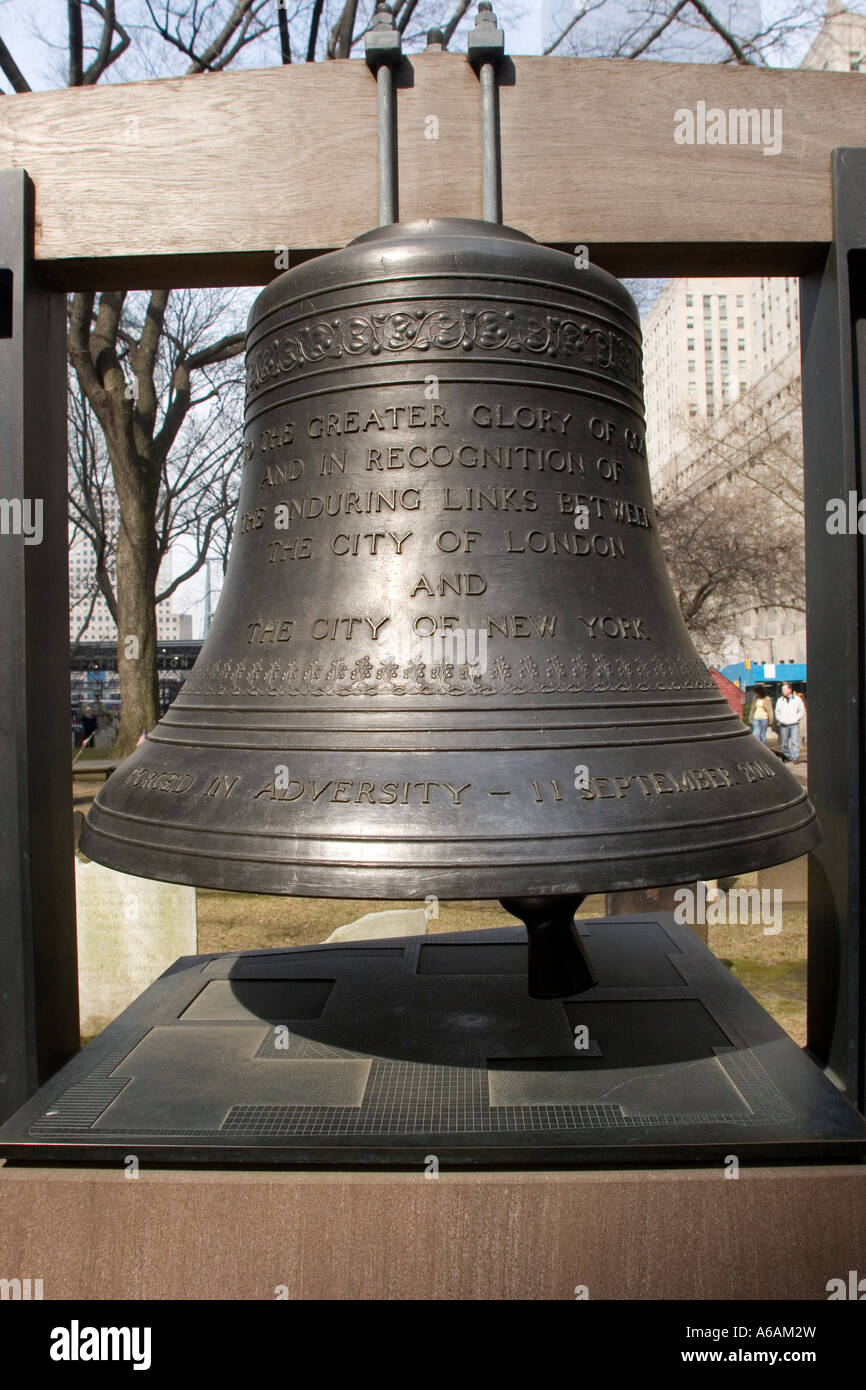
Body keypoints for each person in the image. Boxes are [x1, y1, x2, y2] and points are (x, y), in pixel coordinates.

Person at [774, 683, 806, 763]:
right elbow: (777, 711)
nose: (783, 691)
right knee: (784, 743)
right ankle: (787, 756)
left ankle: (795, 757)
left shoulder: (797, 699)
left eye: (784, 689)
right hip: (784, 724)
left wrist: (797, 718)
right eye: (782, 690)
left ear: (790, 690)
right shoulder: (780, 700)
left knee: (795, 741)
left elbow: (802, 710)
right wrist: (780, 719)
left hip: (794, 724)